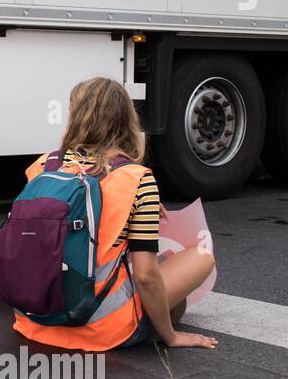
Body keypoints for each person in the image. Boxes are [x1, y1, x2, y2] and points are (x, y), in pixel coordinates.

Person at [11, 77, 218, 351]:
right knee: (201, 258)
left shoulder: (42, 167)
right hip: (100, 328)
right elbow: (145, 275)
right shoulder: (136, 179)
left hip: (34, 320)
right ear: (126, 120)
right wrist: (171, 336)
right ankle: (155, 326)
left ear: (74, 115)